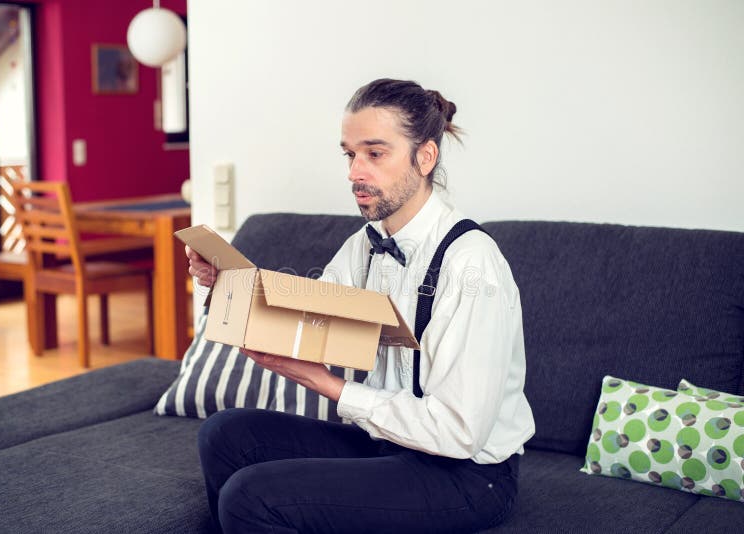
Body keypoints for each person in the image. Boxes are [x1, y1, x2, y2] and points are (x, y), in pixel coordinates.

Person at [186, 78, 535, 533]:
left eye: (375, 153)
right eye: (350, 154)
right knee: (226, 434)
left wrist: (327, 385)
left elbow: (458, 434)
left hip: (468, 475)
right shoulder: (365, 246)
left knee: (252, 496)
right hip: (390, 445)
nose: (354, 172)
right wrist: (229, 283)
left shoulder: (471, 265)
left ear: (425, 157)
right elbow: (306, 323)